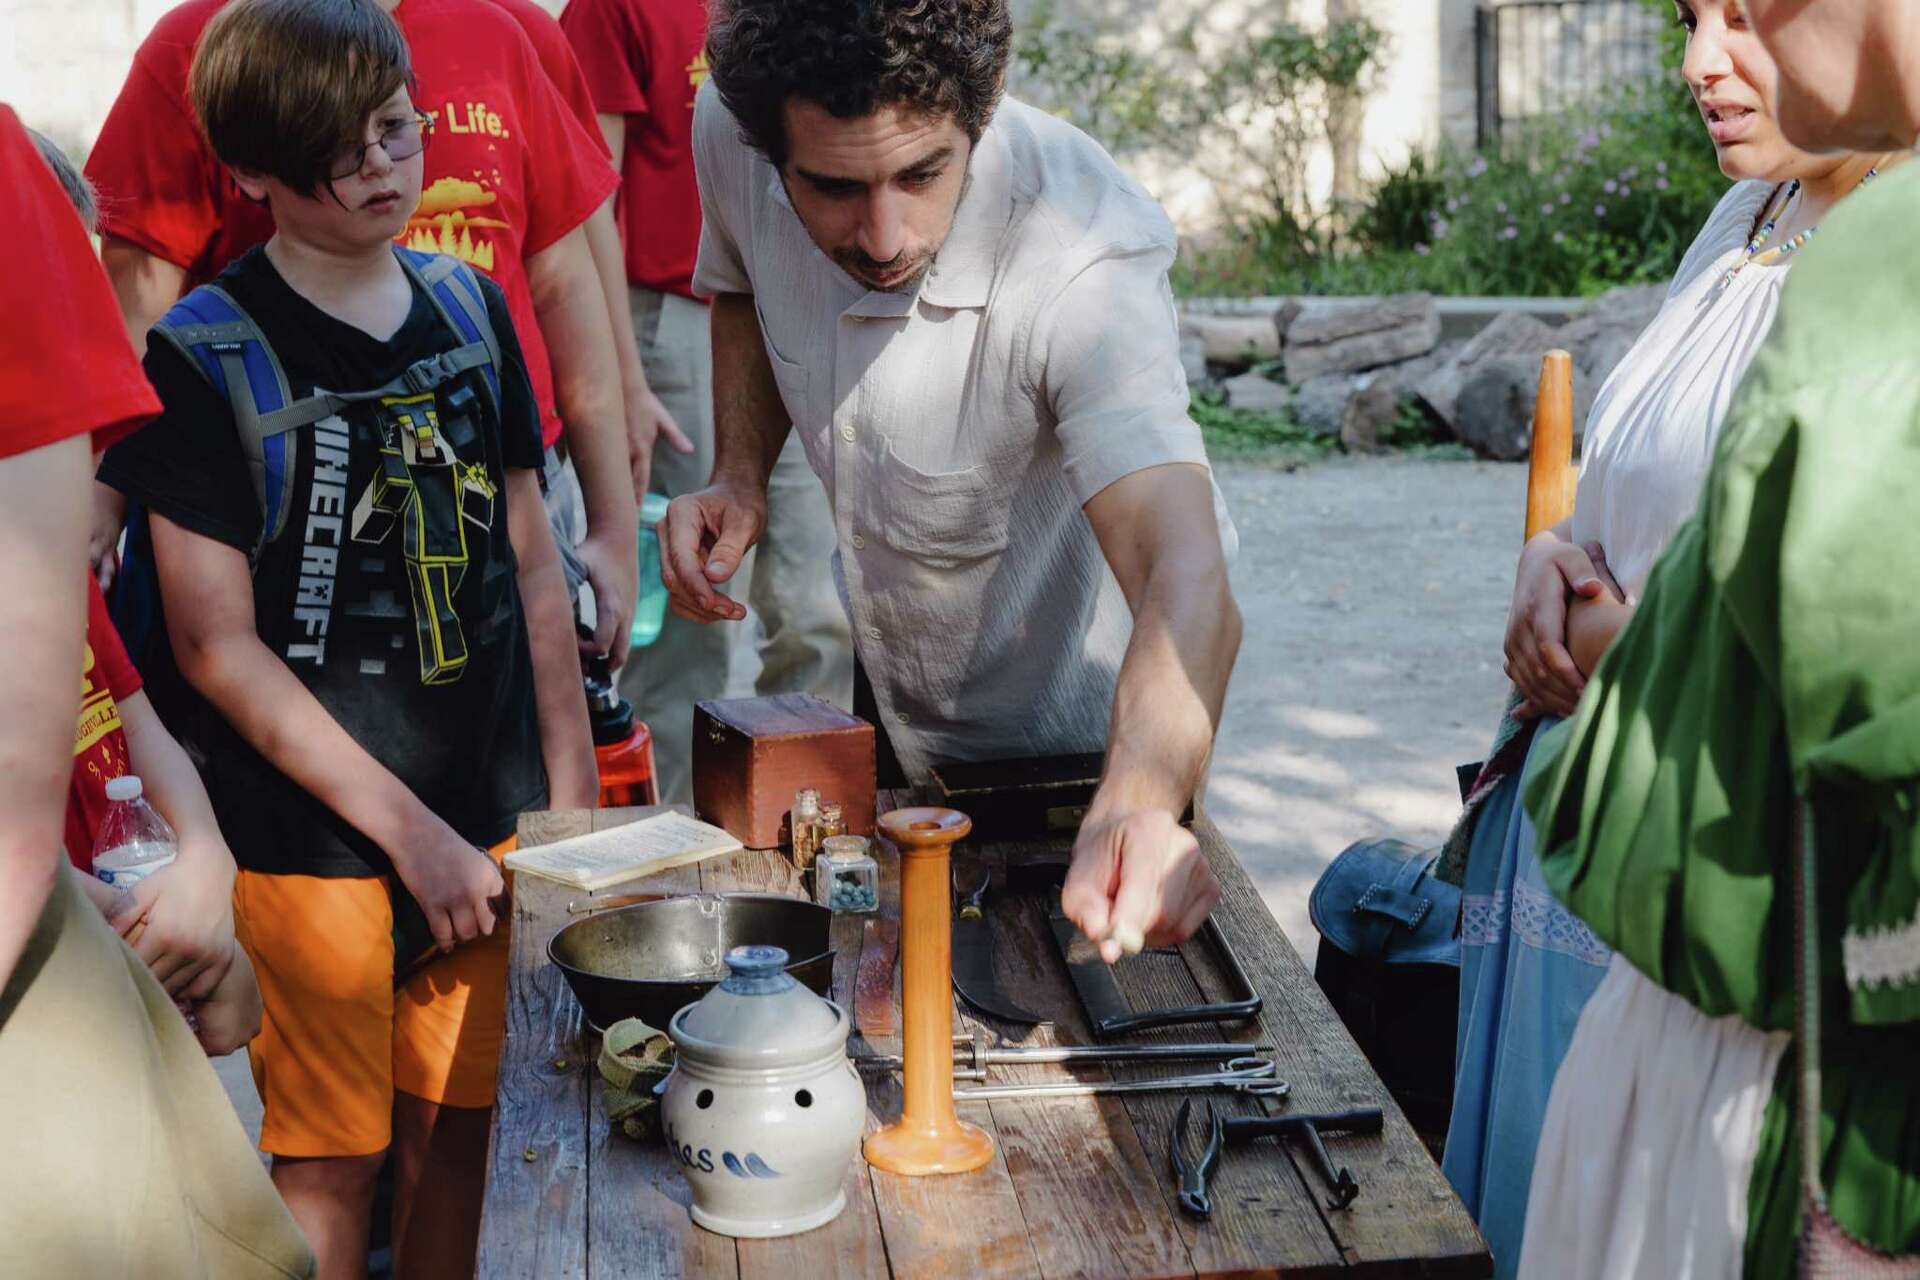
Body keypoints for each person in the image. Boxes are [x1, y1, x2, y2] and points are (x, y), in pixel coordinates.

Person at [96, 3, 596, 1275]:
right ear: (250, 172)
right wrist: (407, 835)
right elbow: (216, 648)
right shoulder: (201, 357)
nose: (384, 166)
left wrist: (572, 794)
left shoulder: (475, 310)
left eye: (396, 128)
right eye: (341, 149)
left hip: (486, 804)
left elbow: (532, 560)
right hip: (301, 834)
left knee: (465, 1128)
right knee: (330, 1156)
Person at [1435, 5, 1892, 1270]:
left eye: (1748, 17)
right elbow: (1623, 498)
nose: (1701, 62)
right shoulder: (1742, 222)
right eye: (1692, 16)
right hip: (1586, 828)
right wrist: (1551, 551)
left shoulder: (1884, 280)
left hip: (1706, 858)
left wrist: (1613, 630)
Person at [663, 0, 1242, 958]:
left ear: (982, 113)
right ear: (770, 152)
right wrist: (740, 476)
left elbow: (1187, 573)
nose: (883, 236)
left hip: (1095, 740)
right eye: (834, 188)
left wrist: (1140, 804)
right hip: (892, 687)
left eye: (923, 174)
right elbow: (742, 284)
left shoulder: (1083, 248)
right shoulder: (728, 131)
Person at [84, 0, 639, 668]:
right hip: (285, 509)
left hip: (505, 481)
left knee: (514, 704)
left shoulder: (504, 31)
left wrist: (613, 529)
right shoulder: (201, 46)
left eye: (396, 128)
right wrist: (96, 505)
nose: (376, 162)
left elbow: (562, 276)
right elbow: (135, 316)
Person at [0, 104, 314, 1279]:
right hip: (80, 921)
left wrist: (208, 860)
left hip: (137, 901)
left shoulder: (52, 578)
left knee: (223, 1072)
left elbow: (141, 714)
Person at [559, 0, 855, 804]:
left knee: (816, 599)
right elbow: (588, 205)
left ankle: (819, 820)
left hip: (804, 302)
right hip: (674, 318)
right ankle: (668, 837)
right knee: (691, 604)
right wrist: (621, 371)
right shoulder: (614, 8)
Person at [30, 126, 262, 1050]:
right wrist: (134, 934)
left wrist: (206, 868)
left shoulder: (42, 544)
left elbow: (134, 714)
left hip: (122, 945)